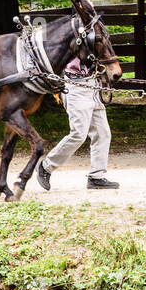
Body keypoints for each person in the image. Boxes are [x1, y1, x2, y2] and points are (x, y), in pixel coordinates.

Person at [36, 56, 118, 191]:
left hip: (93, 84)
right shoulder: (72, 37)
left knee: (102, 133)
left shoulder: (97, 37)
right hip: (76, 86)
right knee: (78, 134)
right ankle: (46, 166)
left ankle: (96, 177)